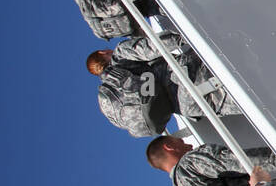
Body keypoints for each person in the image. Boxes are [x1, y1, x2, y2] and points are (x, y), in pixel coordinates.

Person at [89, 33, 241, 136]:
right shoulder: (119, 57)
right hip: (189, 75)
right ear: (102, 54)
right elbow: (154, 46)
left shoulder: (113, 98)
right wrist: (186, 35)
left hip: (190, 106)